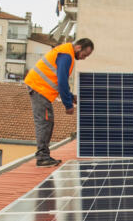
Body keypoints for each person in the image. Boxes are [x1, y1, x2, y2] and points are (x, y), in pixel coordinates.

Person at [23, 37, 94, 167]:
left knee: (47, 122)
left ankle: (44, 155)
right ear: (78, 48)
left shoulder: (66, 52)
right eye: (84, 55)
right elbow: (62, 81)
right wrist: (68, 104)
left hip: (40, 88)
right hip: (39, 88)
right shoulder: (66, 55)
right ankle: (42, 157)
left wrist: (70, 96)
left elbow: (60, 80)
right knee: (44, 122)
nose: (84, 58)